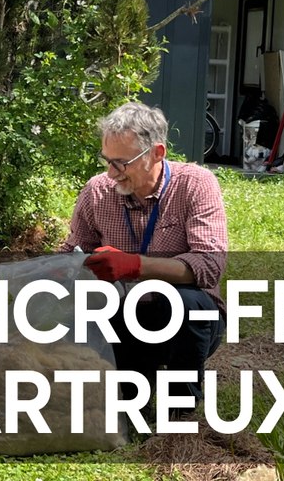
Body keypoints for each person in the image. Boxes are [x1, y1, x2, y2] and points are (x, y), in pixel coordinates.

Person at [58, 101, 227, 408]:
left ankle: (180, 410)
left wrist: (134, 265)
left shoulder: (195, 185)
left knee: (184, 302)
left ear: (156, 154)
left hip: (186, 323)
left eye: (121, 163)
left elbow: (209, 265)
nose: (111, 173)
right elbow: (73, 250)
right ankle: (131, 394)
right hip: (121, 315)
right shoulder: (97, 192)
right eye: (107, 161)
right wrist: (55, 270)